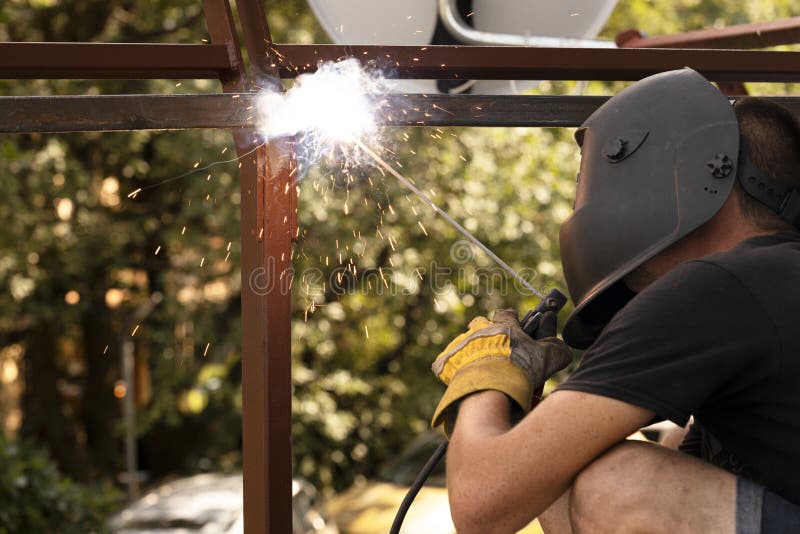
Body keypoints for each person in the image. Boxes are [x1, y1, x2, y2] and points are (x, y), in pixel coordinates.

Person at [430, 68, 800, 533]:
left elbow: (480, 503)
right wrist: (533, 424)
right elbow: (548, 488)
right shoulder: (771, 282)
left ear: (698, 167)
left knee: (618, 485)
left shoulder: (718, 285)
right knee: (583, 472)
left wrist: (484, 375)